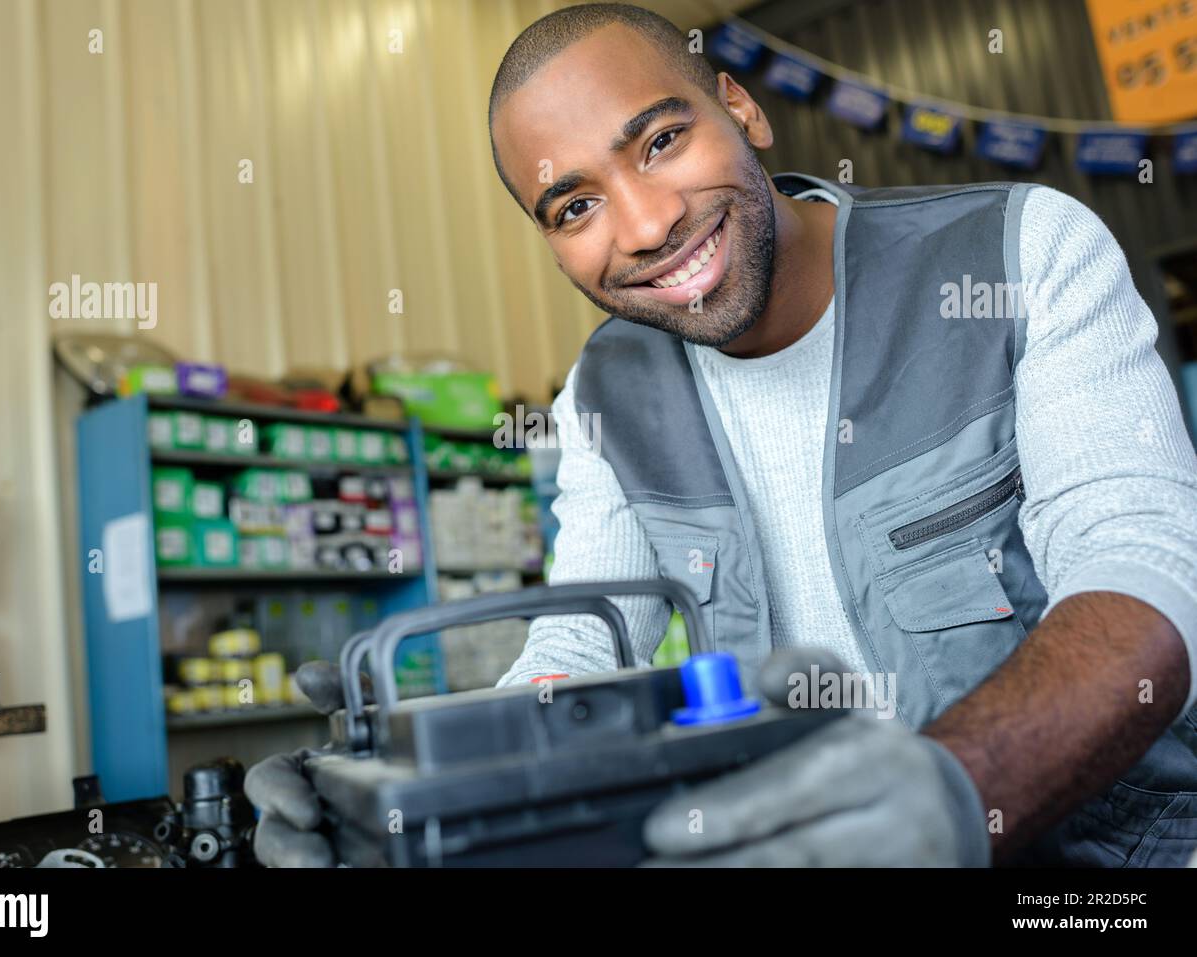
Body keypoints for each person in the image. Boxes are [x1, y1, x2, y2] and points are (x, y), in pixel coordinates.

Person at [247, 2, 1197, 867]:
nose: (649, 223)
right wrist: (393, 772)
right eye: (574, 206)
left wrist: (955, 783)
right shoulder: (605, 392)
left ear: (741, 111)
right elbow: (579, 652)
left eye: (661, 141)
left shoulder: (1019, 253)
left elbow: (1146, 569)